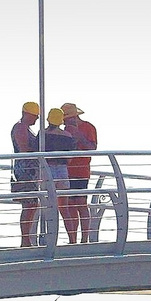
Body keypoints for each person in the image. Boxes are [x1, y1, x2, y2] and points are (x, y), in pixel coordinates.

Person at [61, 102, 97, 243]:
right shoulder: (64, 130)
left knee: (81, 203)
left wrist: (79, 136)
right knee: (70, 205)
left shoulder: (88, 127)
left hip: (81, 171)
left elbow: (92, 147)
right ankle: (73, 239)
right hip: (67, 170)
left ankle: (85, 238)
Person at [40, 108, 75, 241]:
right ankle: (72, 239)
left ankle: (49, 240)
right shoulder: (67, 136)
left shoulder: (43, 135)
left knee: (48, 206)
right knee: (63, 208)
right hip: (61, 169)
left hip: (47, 169)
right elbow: (69, 158)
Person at [11, 102, 41, 246]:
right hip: (25, 171)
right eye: (35, 116)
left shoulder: (25, 128)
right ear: (28, 114)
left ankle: (27, 239)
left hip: (29, 170)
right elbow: (23, 148)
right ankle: (25, 240)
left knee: (32, 204)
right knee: (29, 203)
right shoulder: (20, 128)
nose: (36, 119)